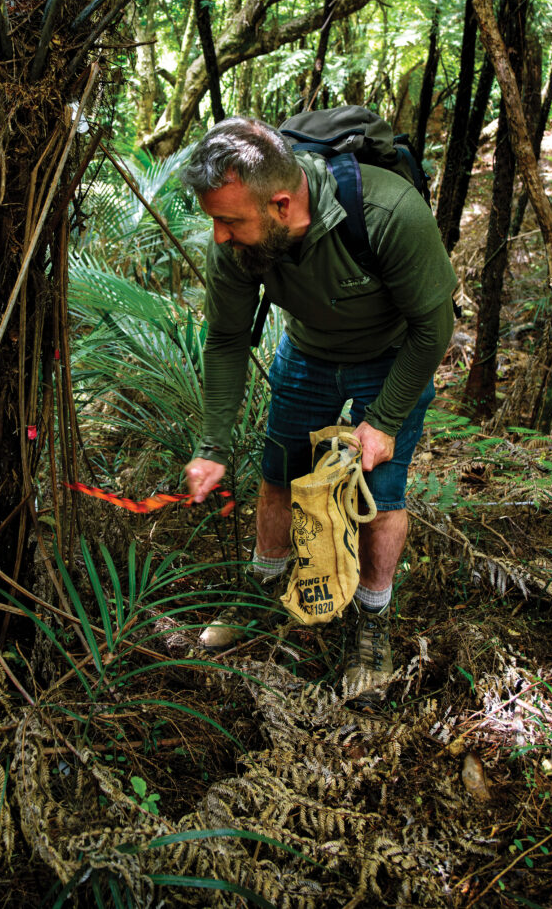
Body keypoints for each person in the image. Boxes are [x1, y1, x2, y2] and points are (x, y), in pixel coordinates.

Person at [181, 116, 456, 694]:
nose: (220, 236)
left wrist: (381, 422)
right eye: (215, 220)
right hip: (306, 353)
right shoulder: (234, 245)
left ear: (282, 204)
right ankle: (263, 595)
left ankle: (371, 622)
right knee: (279, 475)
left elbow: (434, 327)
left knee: (381, 496)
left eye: (231, 221)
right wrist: (212, 446)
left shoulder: (387, 214)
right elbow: (229, 340)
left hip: (392, 355)